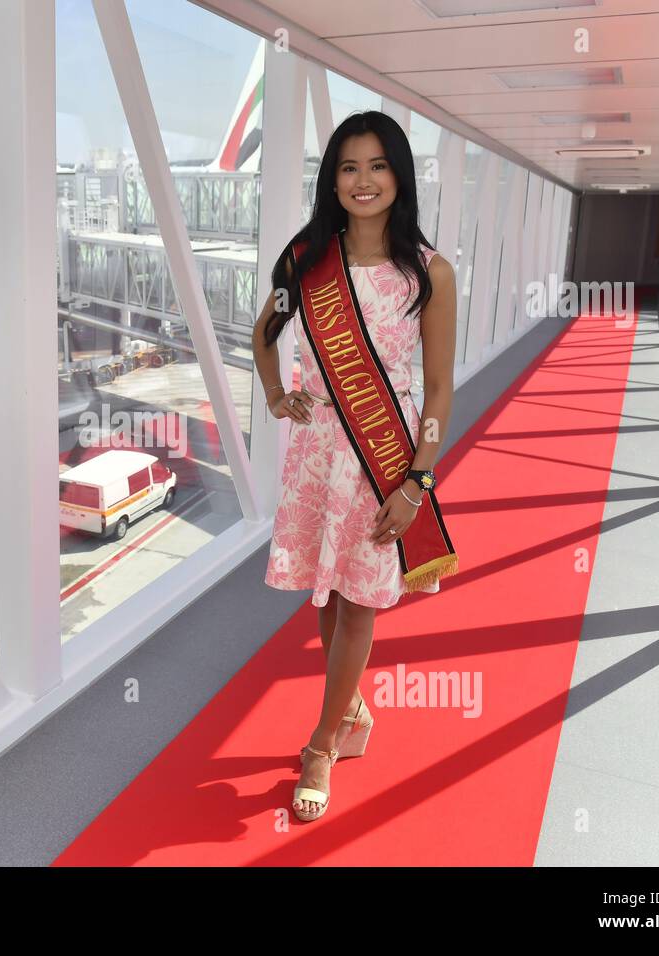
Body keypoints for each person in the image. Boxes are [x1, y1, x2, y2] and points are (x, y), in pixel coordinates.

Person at [252, 110, 458, 823]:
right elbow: (265, 331)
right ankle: (354, 711)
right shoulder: (305, 258)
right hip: (317, 454)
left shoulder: (428, 273)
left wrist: (418, 481)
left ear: (399, 174)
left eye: (377, 165)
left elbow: (437, 390)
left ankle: (319, 744)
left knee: (363, 604)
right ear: (332, 180)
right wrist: (279, 393)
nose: (363, 180)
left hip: (385, 456)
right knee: (328, 594)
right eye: (348, 167)